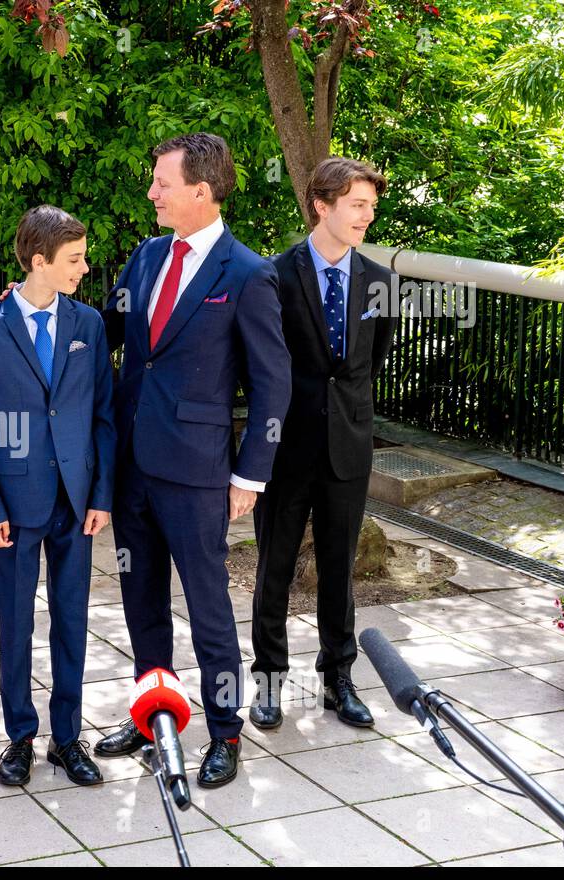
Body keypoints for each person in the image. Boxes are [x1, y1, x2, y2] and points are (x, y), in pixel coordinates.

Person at [94, 133, 291, 788]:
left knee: (209, 609)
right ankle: (156, 714)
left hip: (200, 472)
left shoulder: (249, 273)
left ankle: (226, 732)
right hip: (132, 464)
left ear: (200, 192)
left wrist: (251, 474)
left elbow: (272, 382)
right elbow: (108, 334)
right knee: (141, 602)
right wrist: (40, 300)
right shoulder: (147, 256)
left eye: (162, 183)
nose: (152, 192)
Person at [0, 205, 116, 788]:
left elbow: (102, 416)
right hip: (15, 505)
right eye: (74, 259)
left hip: (77, 505)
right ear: (38, 262)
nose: (83, 267)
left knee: (72, 620)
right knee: (15, 622)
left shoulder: (90, 325)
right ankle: (20, 737)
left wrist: (101, 494)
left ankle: (67, 737)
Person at [249, 157, 395, 731]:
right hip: (284, 449)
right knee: (274, 569)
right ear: (322, 205)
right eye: (357, 205)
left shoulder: (381, 281)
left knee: (340, 569)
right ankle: (268, 684)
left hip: (348, 448)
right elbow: (260, 366)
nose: (367, 216)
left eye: (371, 207)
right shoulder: (273, 275)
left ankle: (339, 679)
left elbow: (367, 362)